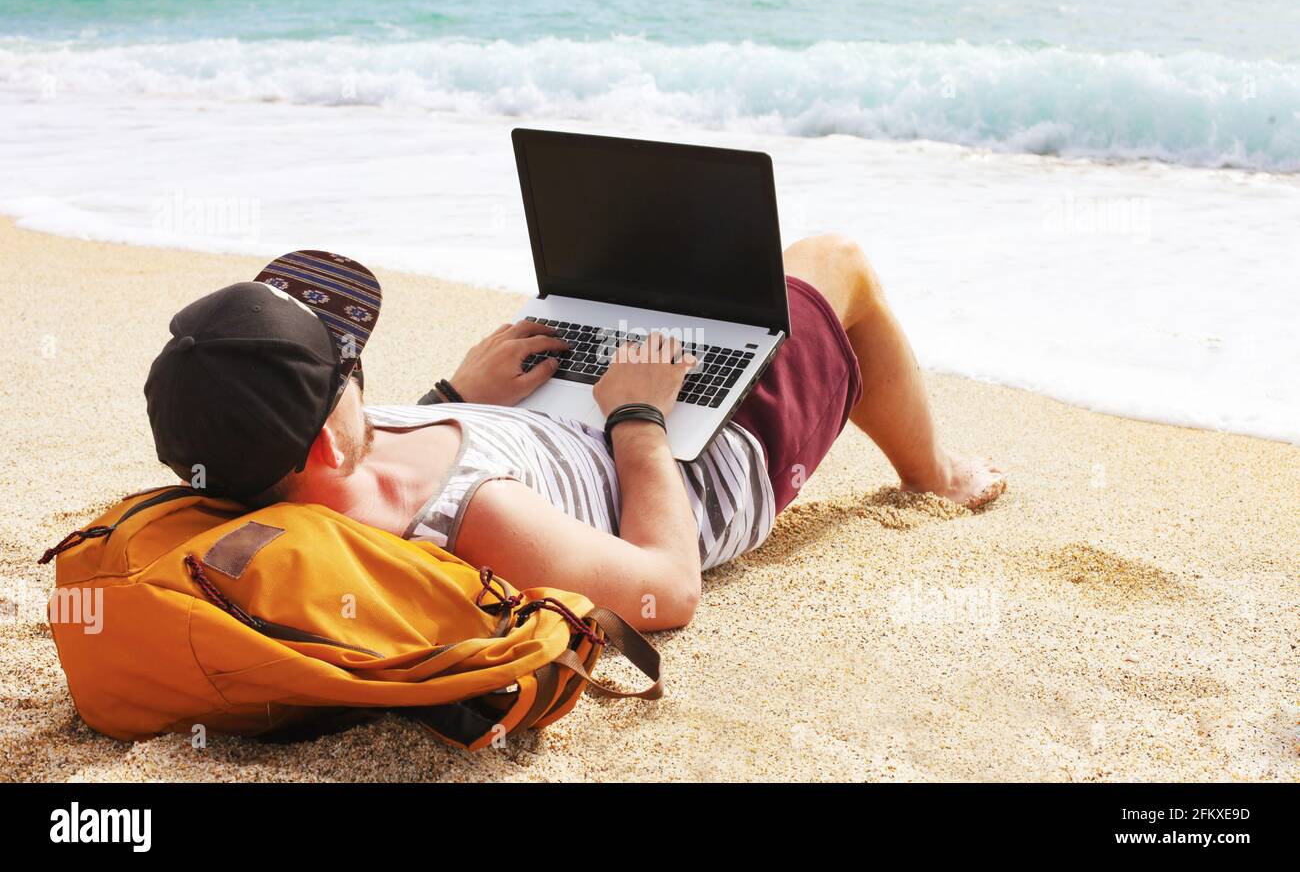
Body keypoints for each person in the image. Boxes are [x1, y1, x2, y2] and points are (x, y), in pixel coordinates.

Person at [145, 236, 1004, 632]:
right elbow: (665, 590)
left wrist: (455, 396)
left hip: (563, 431)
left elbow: (347, 471)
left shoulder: (287, 477)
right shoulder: (481, 516)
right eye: (348, 375)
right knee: (836, 267)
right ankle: (933, 473)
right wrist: (638, 416)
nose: (361, 381)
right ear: (332, 441)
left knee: (649, 283)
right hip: (688, 478)